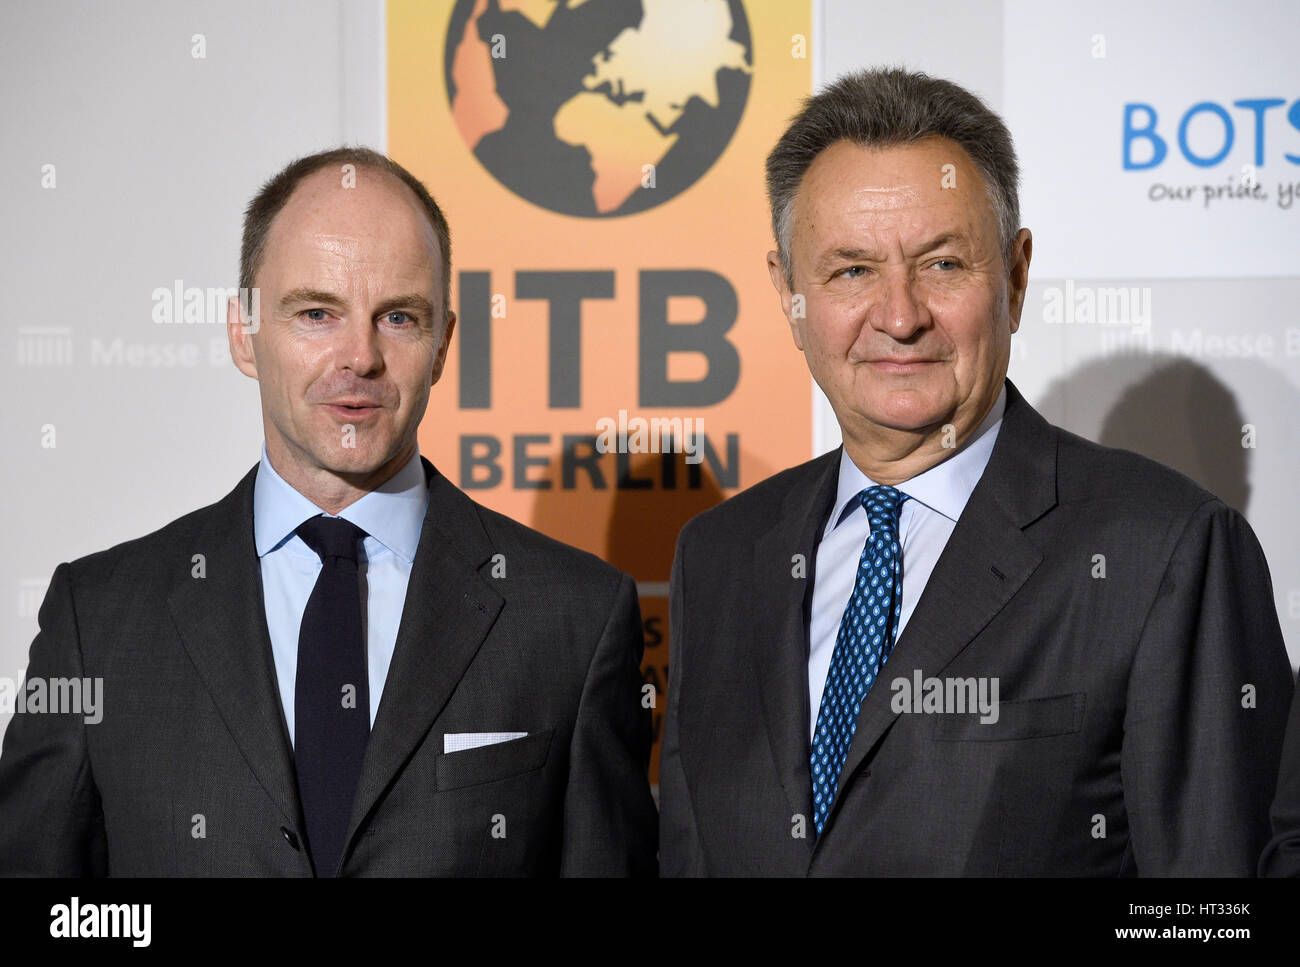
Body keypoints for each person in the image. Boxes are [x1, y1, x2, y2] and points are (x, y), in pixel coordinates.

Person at [659, 67, 1293, 875]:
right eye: (851, 270)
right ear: (789, 293)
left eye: (943, 265)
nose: (899, 315)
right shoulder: (719, 556)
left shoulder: (1165, 551)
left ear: (1017, 276)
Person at [0, 147, 657, 876]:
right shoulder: (97, 620)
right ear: (243, 332)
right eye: (317, 312)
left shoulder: (574, 618)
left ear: (443, 344)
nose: (360, 356)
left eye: (399, 317)